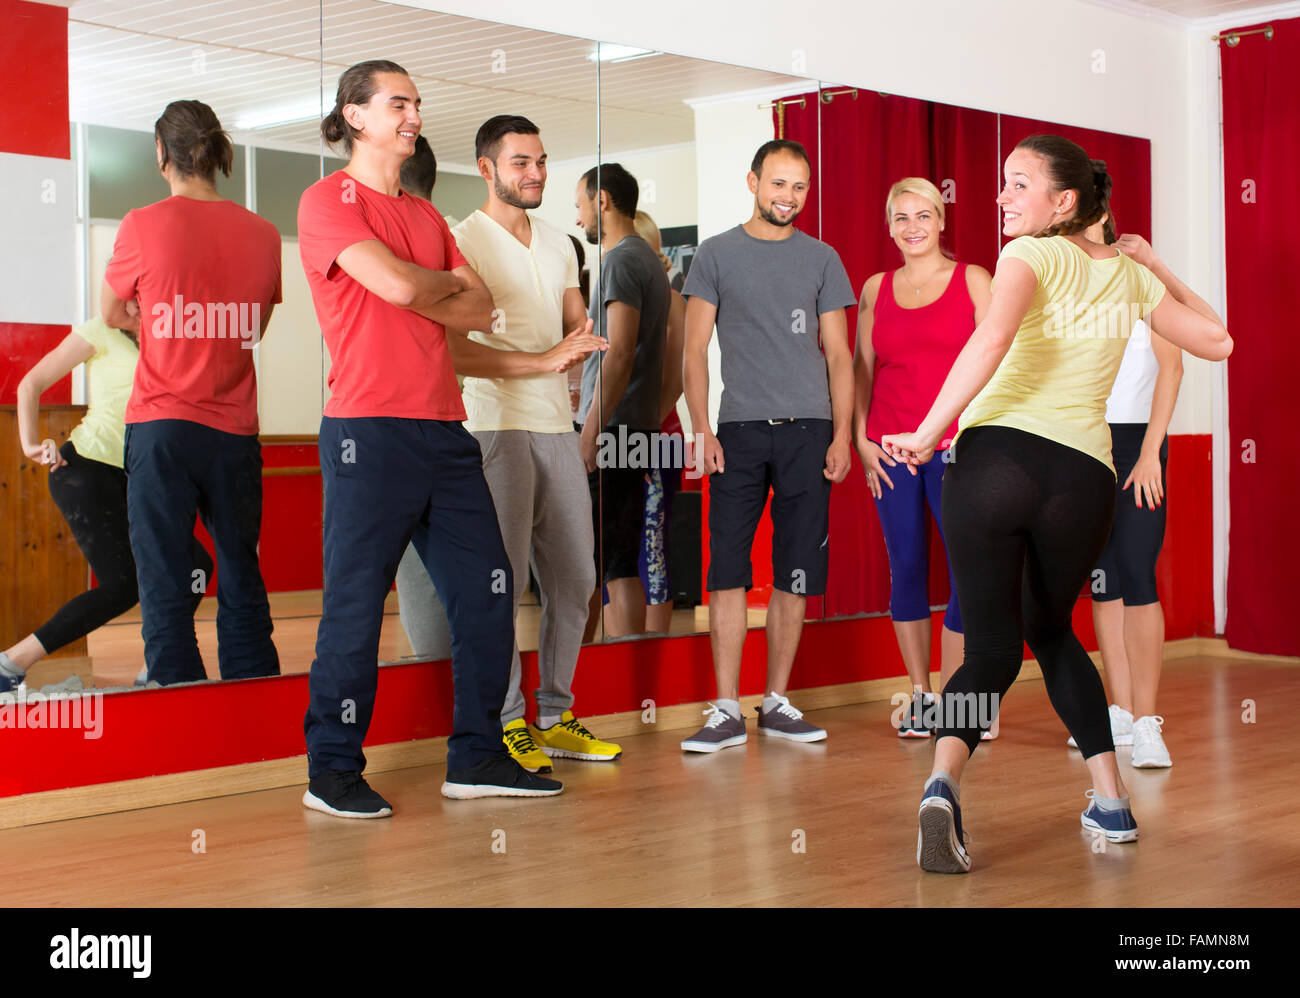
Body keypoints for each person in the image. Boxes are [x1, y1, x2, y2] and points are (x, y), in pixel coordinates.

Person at [882, 134, 1231, 873]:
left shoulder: (1028, 256)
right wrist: (1155, 262)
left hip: (994, 464)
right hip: (1082, 480)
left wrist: (926, 429)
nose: (1001, 197)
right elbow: (1219, 340)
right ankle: (1110, 802)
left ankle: (942, 784)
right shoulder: (1132, 280)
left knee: (989, 650)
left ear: (1062, 201)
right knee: (1056, 634)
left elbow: (989, 340)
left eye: (1017, 185)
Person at [298, 60, 561, 818]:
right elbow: (418, 291)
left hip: (446, 431)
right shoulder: (326, 202)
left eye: (416, 104)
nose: (413, 116)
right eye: (397, 104)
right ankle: (332, 769)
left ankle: (477, 756)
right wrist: (429, 285)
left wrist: (423, 283)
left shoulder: (422, 214)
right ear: (355, 115)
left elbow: (478, 308)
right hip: (366, 433)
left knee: (490, 592)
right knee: (354, 607)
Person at [397, 112, 615, 774]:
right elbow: (455, 351)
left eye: (542, 161)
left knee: (576, 577)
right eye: (521, 162)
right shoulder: (461, 239)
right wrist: (545, 359)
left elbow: (570, 315)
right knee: (503, 581)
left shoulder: (557, 242)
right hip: (492, 424)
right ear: (488, 169)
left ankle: (554, 713)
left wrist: (579, 338)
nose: (535, 173)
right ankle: (506, 721)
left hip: (555, 425)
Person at [679, 139, 856, 752]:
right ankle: (724, 708)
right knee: (727, 568)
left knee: (795, 569)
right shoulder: (716, 254)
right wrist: (700, 427)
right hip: (739, 433)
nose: (789, 197)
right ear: (753, 182)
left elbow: (839, 354)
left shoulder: (823, 258)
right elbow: (693, 348)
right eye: (778, 184)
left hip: (809, 431)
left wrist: (840, 434)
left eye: (800, 187)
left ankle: (776, 701)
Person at [101, 100, 280, 687]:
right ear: (218, 154)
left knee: (164, 569)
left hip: (162, 425)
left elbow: (110, 312)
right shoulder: (261, 232)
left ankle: (176, 682)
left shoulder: (142, 223)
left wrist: (159, 319)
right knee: (238, 565)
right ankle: (253, 684)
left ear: (162, 153)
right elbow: (252, 327)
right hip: (234, 432)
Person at [2, 310, 212, 693]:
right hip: (86, 468)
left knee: (195, 566)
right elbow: (30, 384)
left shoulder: (170, 336)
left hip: (138, 476)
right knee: (122, 585)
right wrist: (31, 445)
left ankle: (157, 664)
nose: (133, 302)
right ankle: (10, 664)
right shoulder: (98, 331)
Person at [852, 178, 991, 738]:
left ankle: (961, 702)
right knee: (906, 568)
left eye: (923, 215)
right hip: (890, 451)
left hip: (957, 447)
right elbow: (863, 370)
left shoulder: (974, 280)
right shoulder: (874, 289)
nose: (913, 227)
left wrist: (976, 433)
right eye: (901, 218)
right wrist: (861, 439)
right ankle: (920, 694)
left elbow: (995, 361)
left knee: (966, 574)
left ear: (941, 220)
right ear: (890, 226)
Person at [1073, 206, 1183, 768]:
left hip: (1140, 445)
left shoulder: (1142, 281)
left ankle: (1146, 722)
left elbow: (1173, 368)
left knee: (1138, 575)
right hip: (1084, 443)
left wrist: (1149, 455)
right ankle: (1116, 710)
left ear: (1106, 215)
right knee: (1102, 580)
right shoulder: (1065, 281)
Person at [574, 163, 671, 639]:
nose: (579, 219)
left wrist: (591, 433)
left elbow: (620, 352)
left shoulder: (621, 260)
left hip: (613, 433)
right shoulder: (646, 258)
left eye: (580, 205)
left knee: (593, 561)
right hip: (633, 430)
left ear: (603, 200)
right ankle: (621, 678)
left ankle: (587, 675)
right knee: (615, 560)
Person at [392, 134, 455, 665]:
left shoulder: (408, 242)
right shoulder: (454, 242)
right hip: (456, 428)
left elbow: (473, 322)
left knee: (419, 572)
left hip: (425, 426)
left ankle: (437, 686)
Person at [632, 210, 688, 635]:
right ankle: (627, 647)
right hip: (620, 439)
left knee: (653, 546)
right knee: (623, 548)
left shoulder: (673, 301)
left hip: (659, 437)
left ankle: (654, 648)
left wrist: (643, 427)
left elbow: (678, 379)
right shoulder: (617, 295)